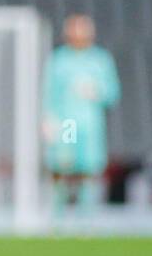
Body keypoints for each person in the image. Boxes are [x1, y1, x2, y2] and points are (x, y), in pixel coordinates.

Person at [43, 14, 120, 214]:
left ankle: (86, 218)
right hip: (67, 123)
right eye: (75, 29)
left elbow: (113, 93)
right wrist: (48, 119)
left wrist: (97, 91)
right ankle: (57, 217)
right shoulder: (58, 59)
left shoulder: (101, 60)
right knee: (62, 166)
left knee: (88, 169)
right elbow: (48, 93)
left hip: (90, 124)